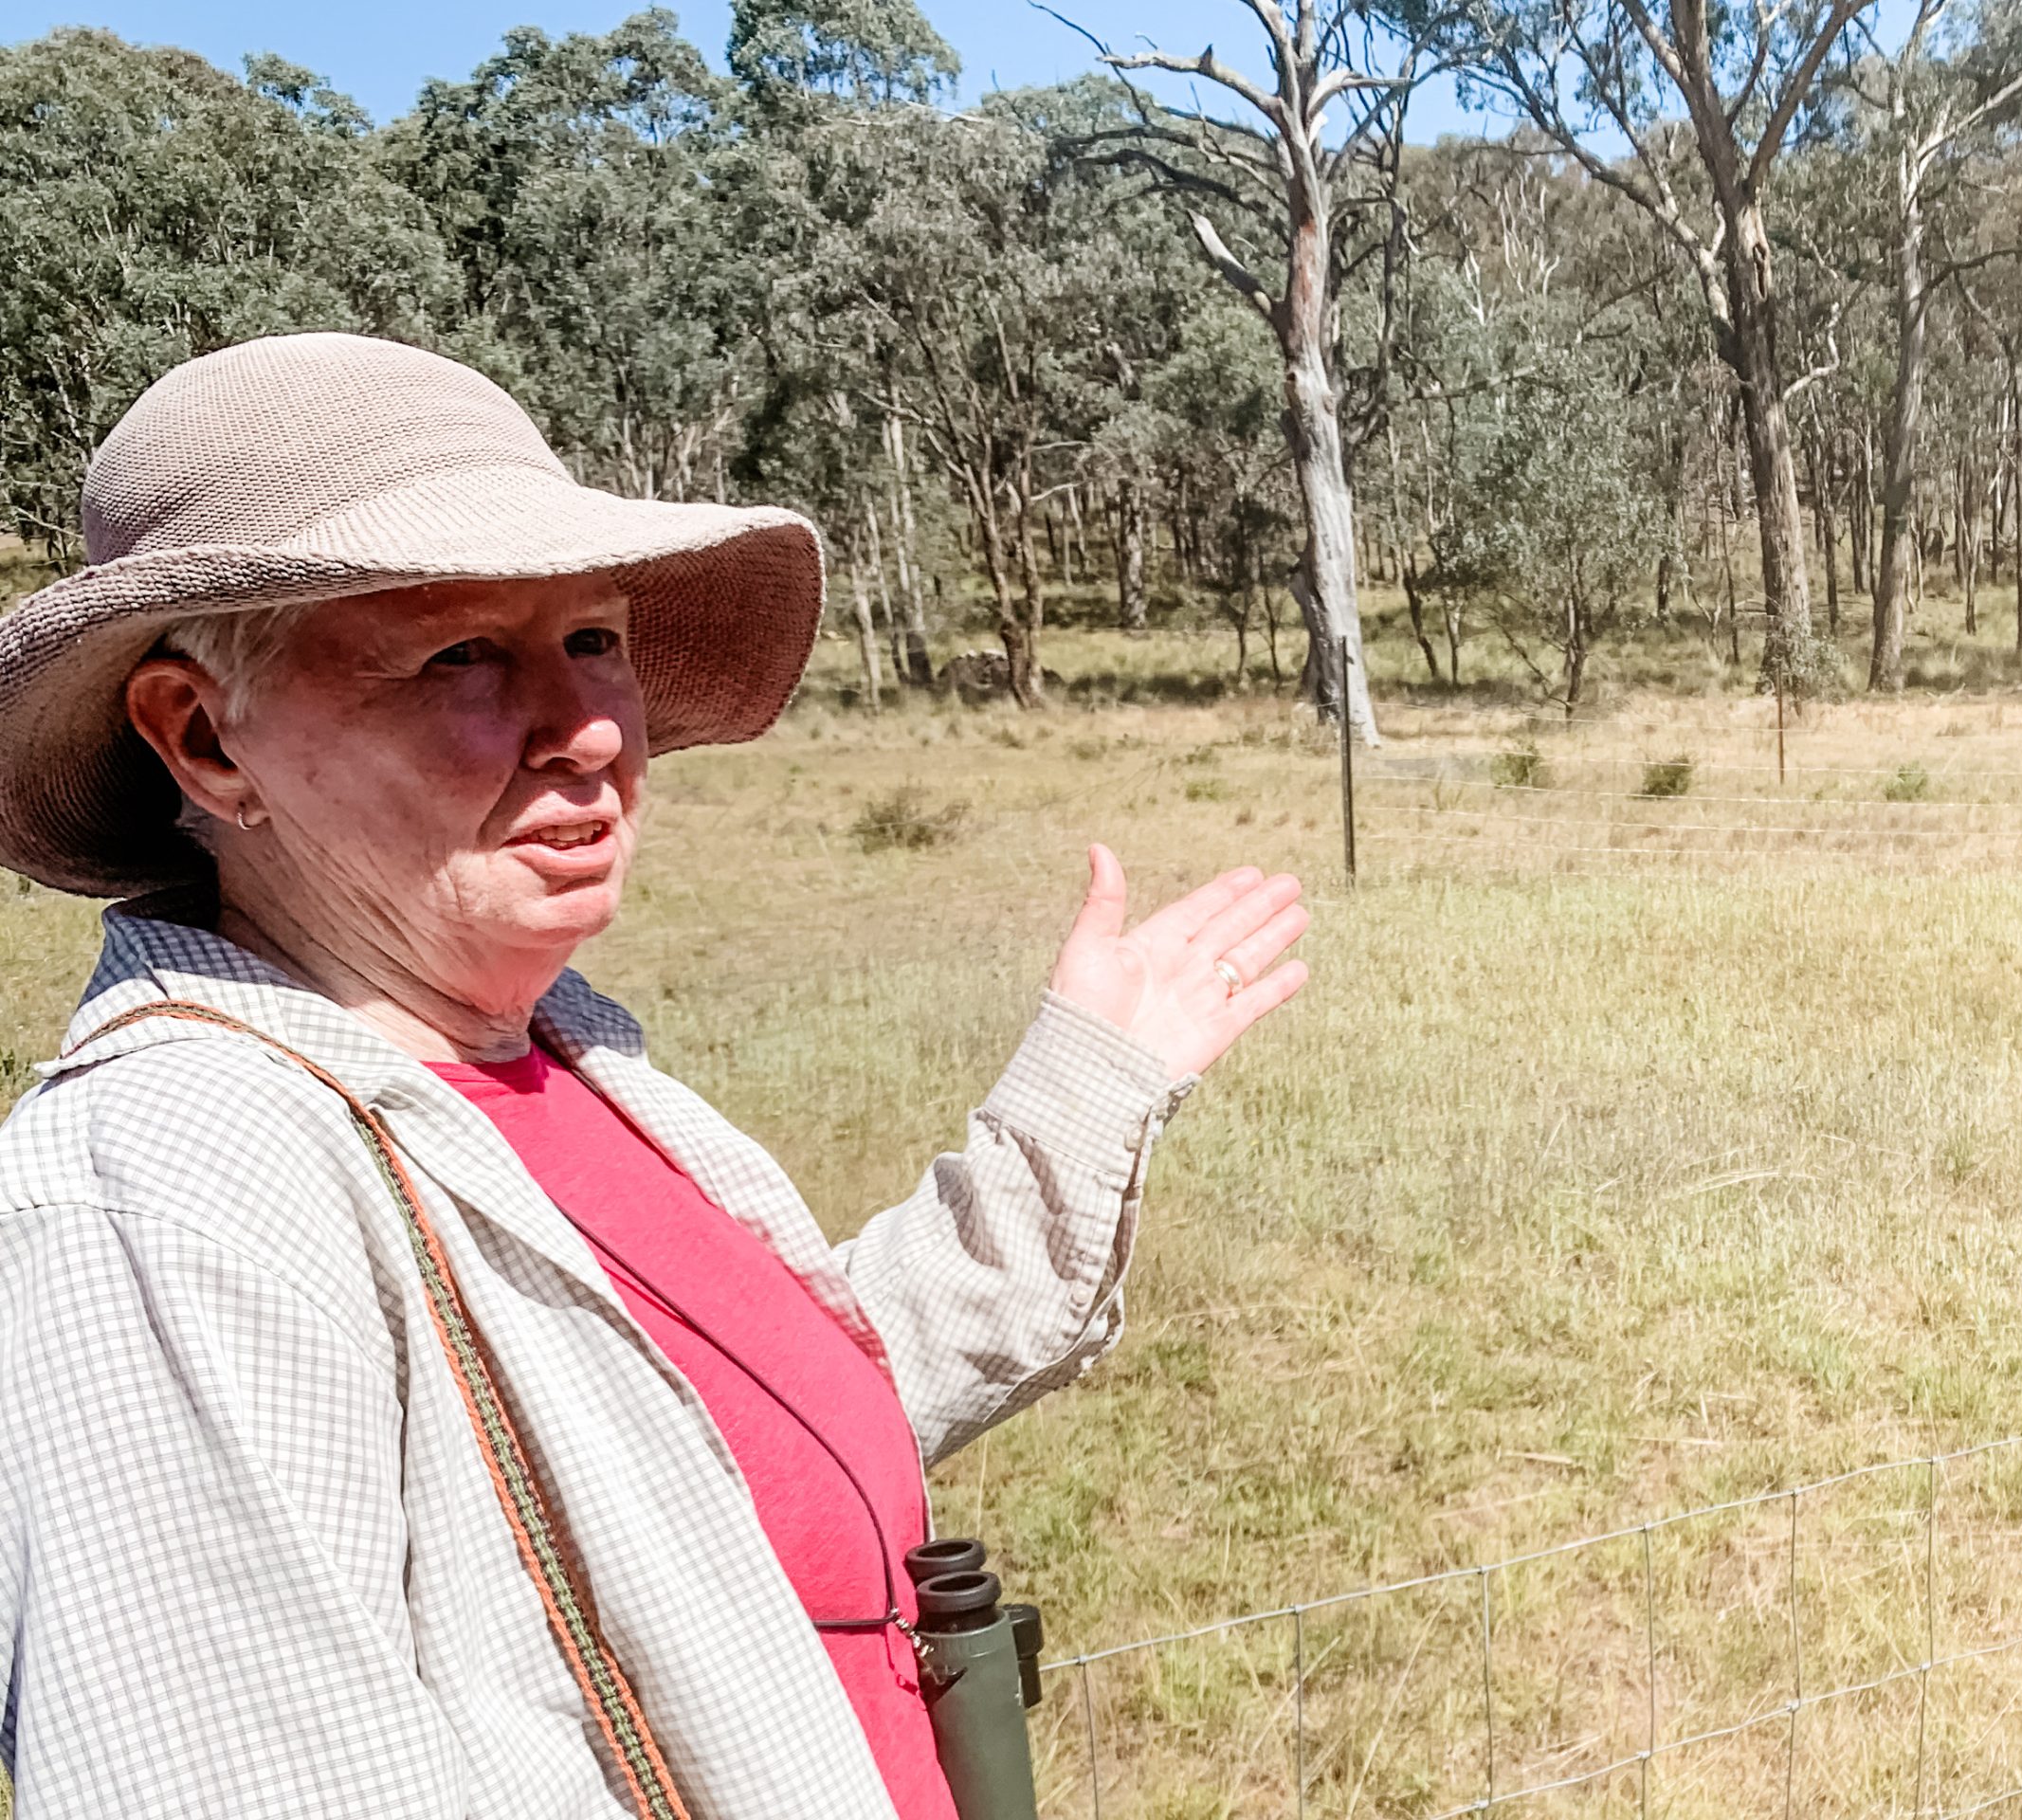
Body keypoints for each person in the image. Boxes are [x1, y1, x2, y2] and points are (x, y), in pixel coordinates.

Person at [0, 332, 1308, 1818]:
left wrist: (1087, 1088)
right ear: (203, 738)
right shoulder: (170, 1187)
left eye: (597, 639)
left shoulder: (559, 1062)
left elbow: (746, 1435)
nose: (596, 731)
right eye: (462, 656)